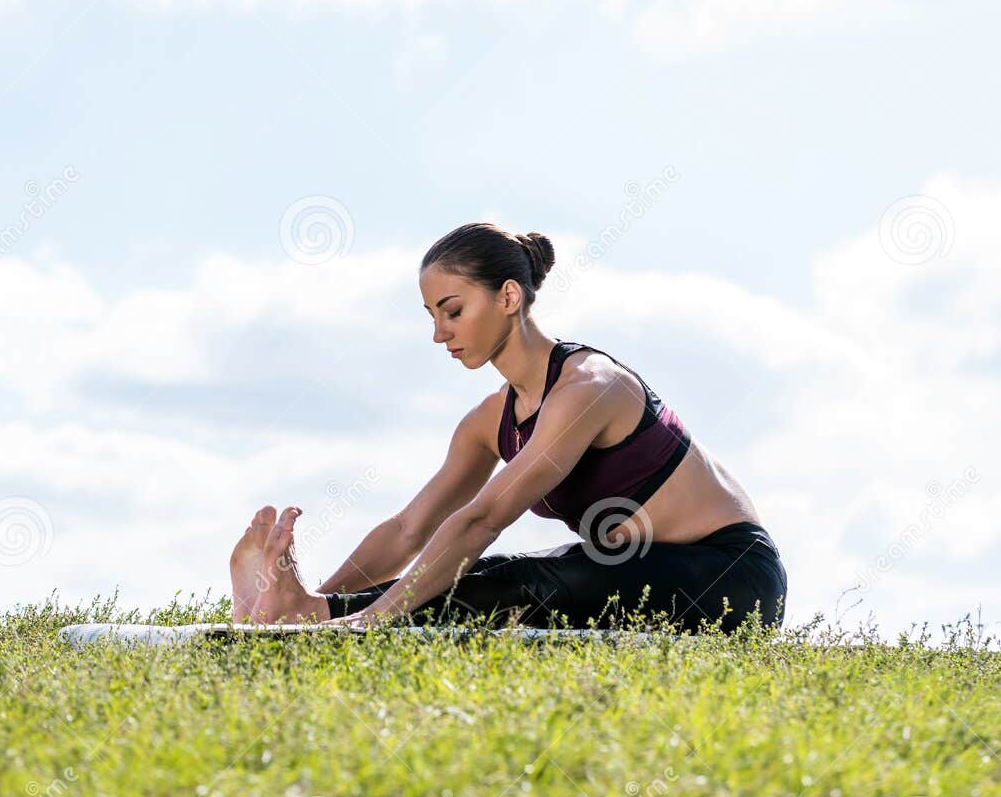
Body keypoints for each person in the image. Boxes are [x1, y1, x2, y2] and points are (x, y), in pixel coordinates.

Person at [229, 223, 788, 634]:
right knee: (500, 573)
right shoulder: (487, 423)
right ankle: (301, 612)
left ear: (509, 296)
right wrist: (313, 607)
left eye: (453, 310)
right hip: (630, 568)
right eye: (431, 316)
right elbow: (408, 531)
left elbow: (483, 519)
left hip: (732, 576)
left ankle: (316, 617)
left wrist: (368, 622)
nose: (439, 334)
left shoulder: (590, 389)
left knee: (521, 582)